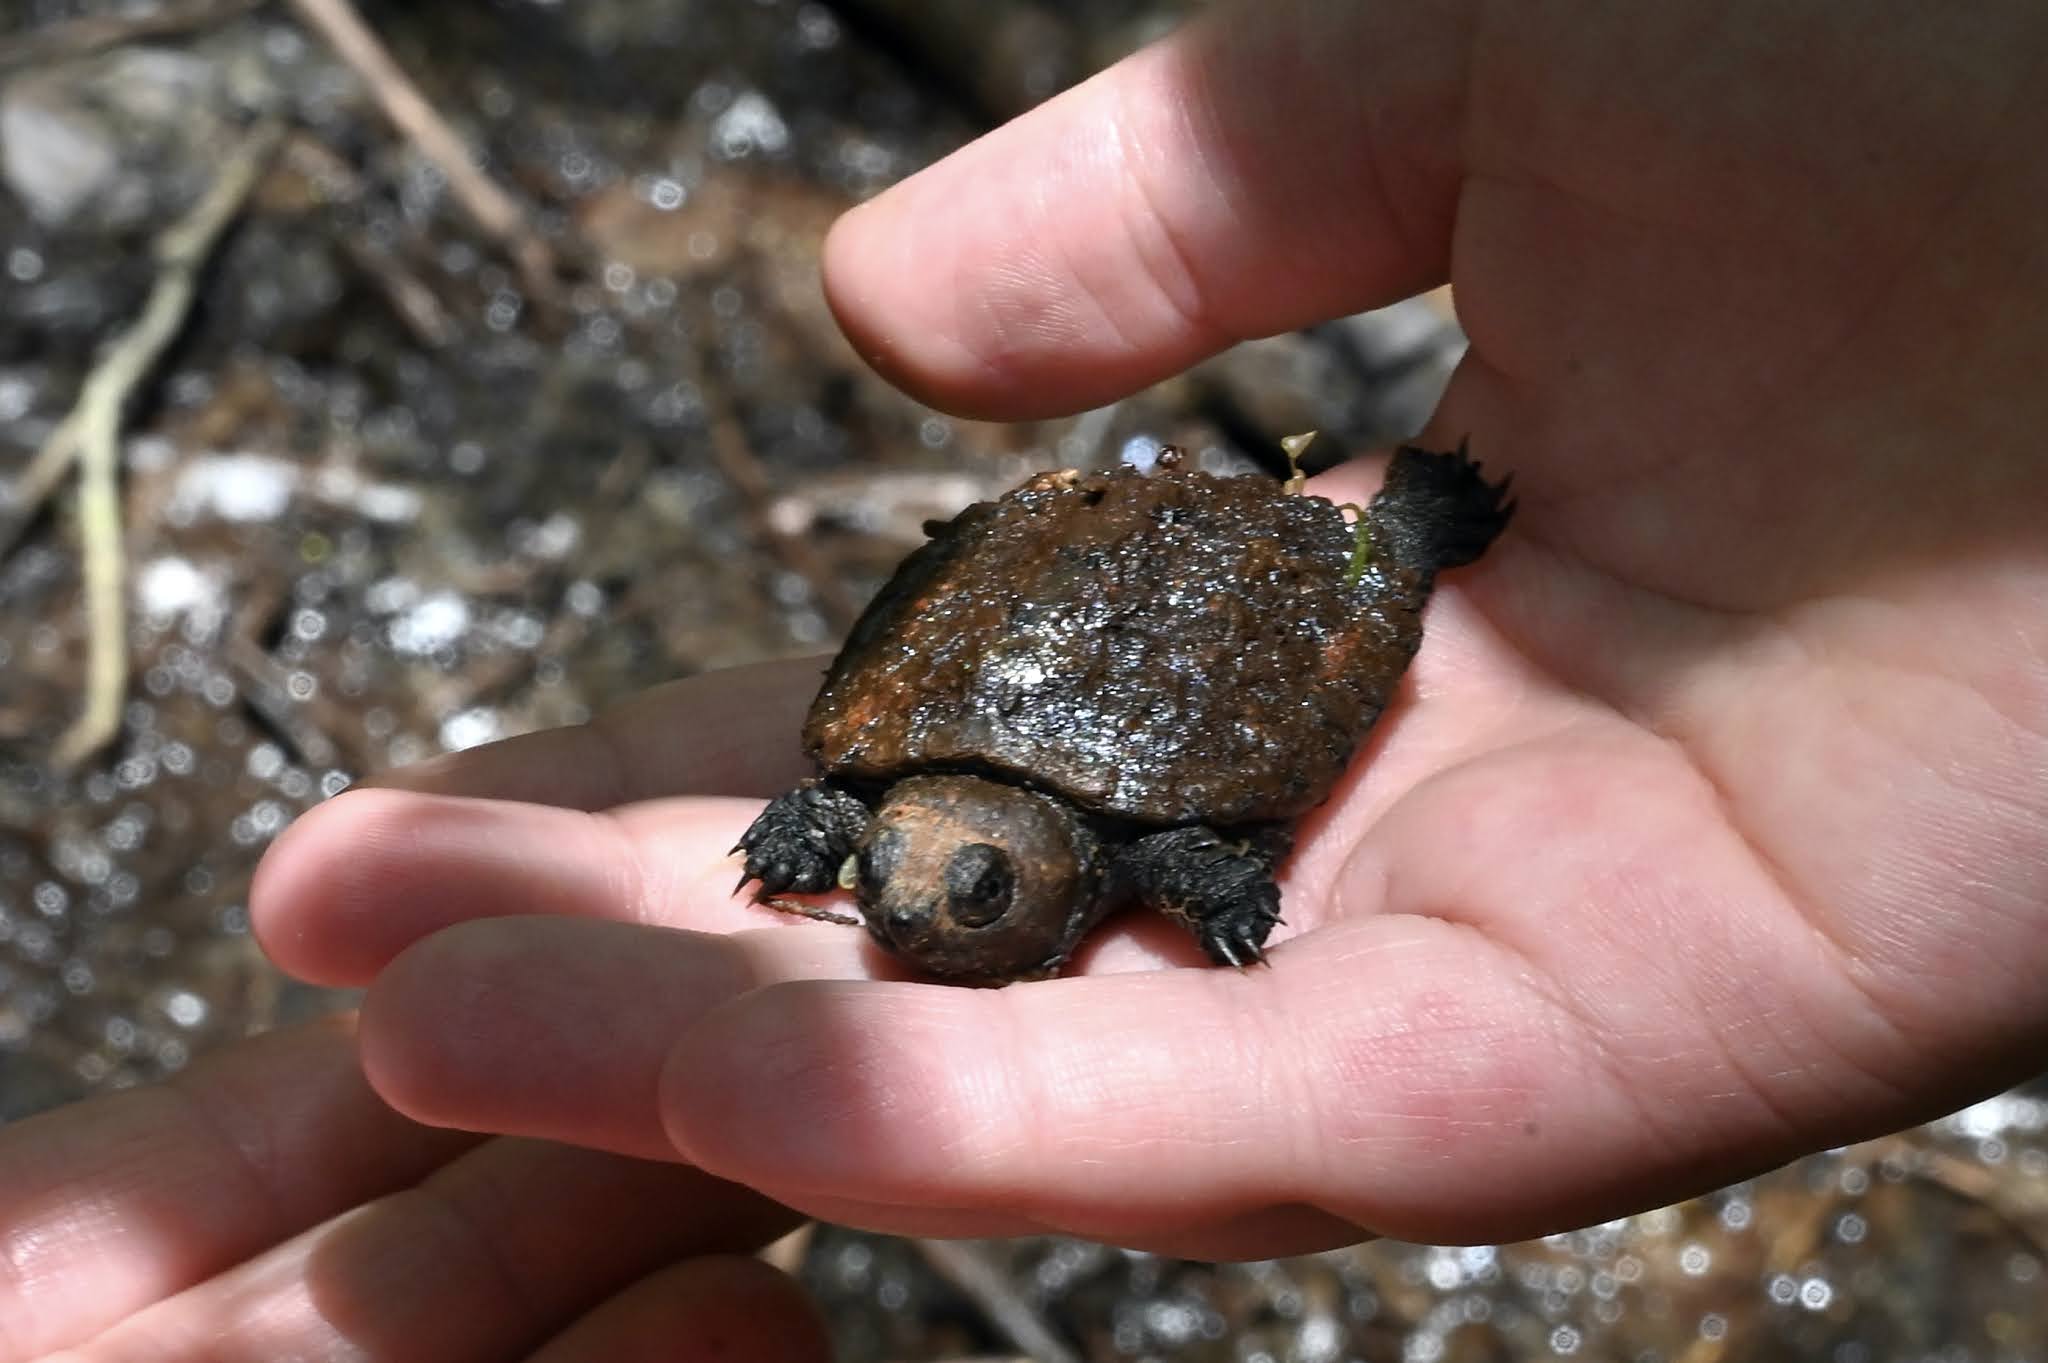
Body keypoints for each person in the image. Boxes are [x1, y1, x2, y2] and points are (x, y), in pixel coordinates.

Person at [5, 0, 2044, 1355]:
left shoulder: (1151, 834)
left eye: (923, 887)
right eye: (902, 876)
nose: (900, 894)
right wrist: (844, 832)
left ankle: (1399, 538)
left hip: (1240, 594)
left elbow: (1201, 814)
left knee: (1374, 561)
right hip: (1061, 611)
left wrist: (1257, 792)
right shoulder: (884, 795)